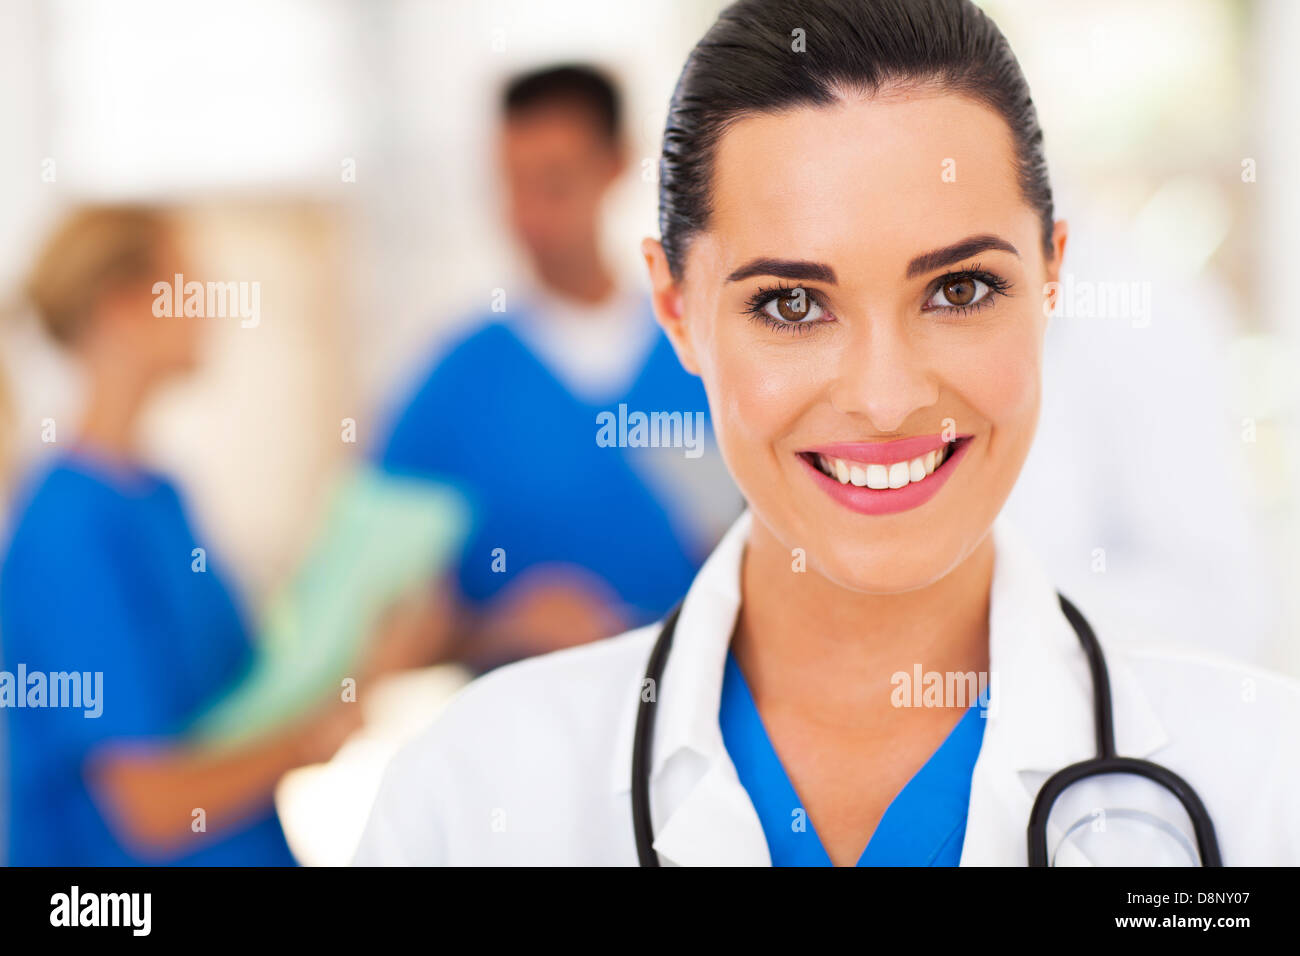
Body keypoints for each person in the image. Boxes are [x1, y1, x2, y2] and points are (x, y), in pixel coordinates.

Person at [353, 0, 1300, 866]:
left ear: (1052, 276)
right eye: (793, 303)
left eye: (959, 290)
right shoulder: (470, 802)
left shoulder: (1259, 790)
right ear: (677, 307)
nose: (885, 400)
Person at [0, 207, 397, 865]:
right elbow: (149, 809)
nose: (208, 308)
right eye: (186, 285)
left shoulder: (162, 499)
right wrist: (306, 742)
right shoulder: (64, 534)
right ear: (122, 305)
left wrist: (361, 657)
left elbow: (235, 707)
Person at [376, 64, 739, 673]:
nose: (529, 217)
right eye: (512, 185)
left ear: (616, 165)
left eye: (555, 182)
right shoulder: (452, 386)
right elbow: (376, 623)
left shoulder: (709, 356)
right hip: (513, 732)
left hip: (700, 707)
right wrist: (494, 630)